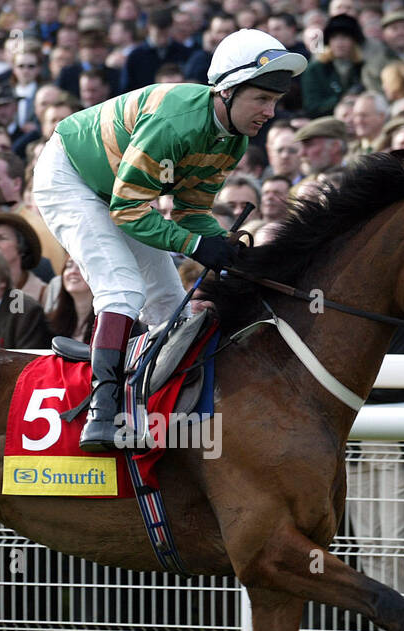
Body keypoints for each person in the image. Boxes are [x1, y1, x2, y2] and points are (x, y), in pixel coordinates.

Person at [32, 28, 306, 452]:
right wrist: (199, 247)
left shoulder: (234, 140)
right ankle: (101, 413)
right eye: (262, 99)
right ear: (227, 92)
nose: (270, 112)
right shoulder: (175, 122)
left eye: (275, 101)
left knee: (167, 301)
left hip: (121, 191)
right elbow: (128, 212)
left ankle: (172, 412)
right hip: (71, 176)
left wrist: (228, 247)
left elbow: (189, 213)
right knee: (122, 287)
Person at [44, 254, 97, 344]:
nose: (73, 271)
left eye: (81, 267)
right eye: (69, 266)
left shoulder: (106, 324)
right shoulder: (50, 322)